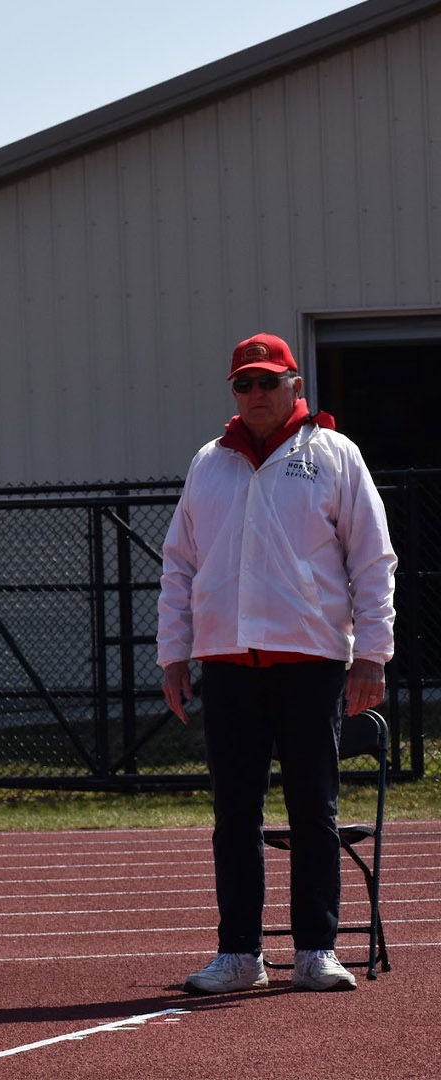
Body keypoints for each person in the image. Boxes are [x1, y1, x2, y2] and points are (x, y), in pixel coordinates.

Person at [159, 331, 397, 994]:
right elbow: (179, 564)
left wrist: (371, 654)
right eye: (245, 384)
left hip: (311, 661)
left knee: (312, 810)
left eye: (270, 381)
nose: (258, 394)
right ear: (232, 392)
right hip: (227, 663)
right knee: (234, 812)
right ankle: (239, 954)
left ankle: (317, 948)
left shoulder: (334, 455)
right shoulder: (209, 463)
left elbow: (373, 560)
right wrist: (173, 655)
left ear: (296, 384)